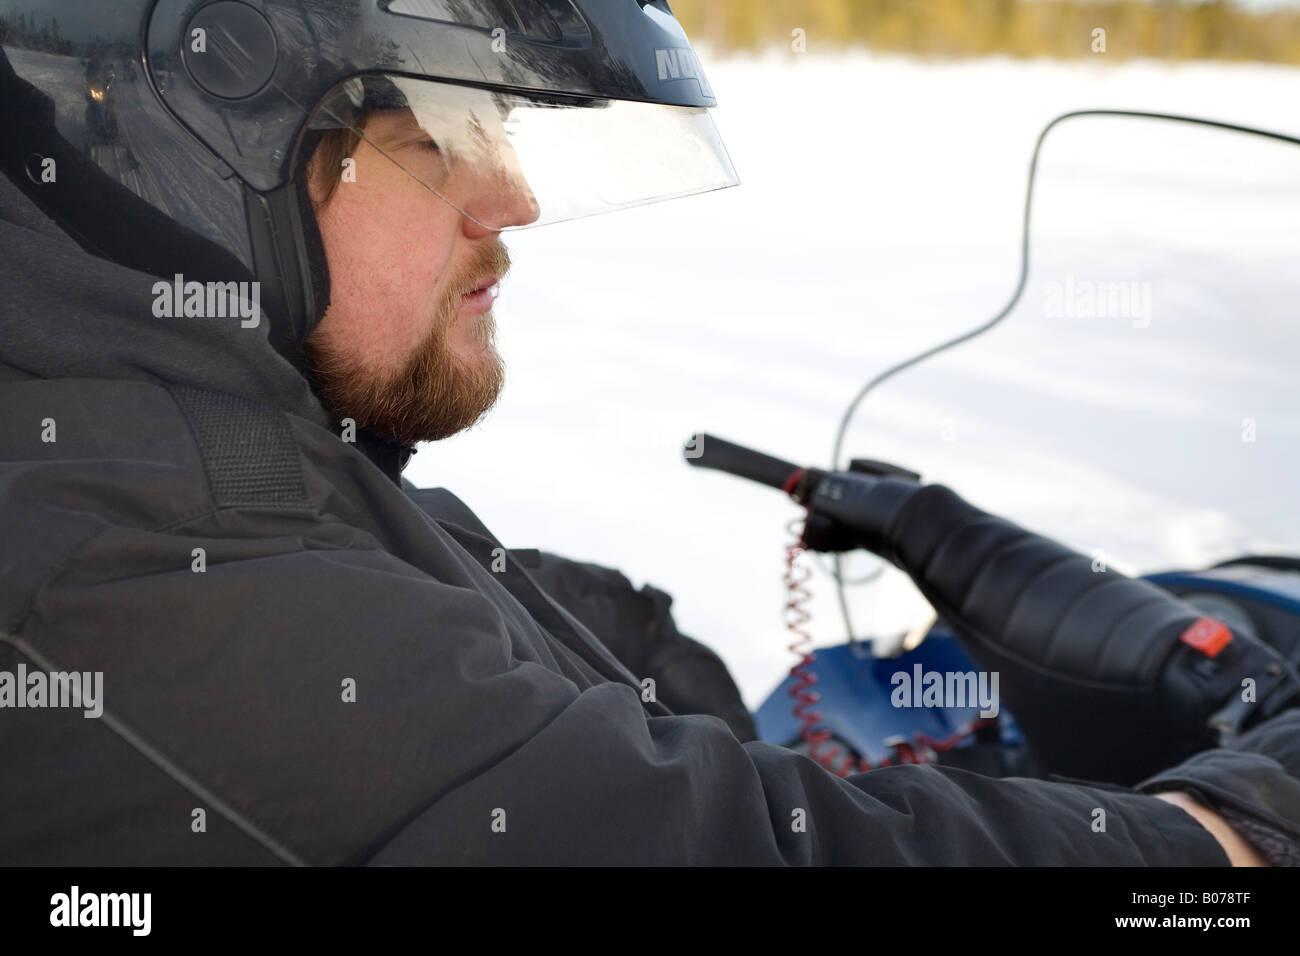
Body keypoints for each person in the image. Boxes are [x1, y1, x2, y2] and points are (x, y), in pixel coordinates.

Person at [1, 0, 1297, 866]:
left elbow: (458, 623)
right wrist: (1216, 841)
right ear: (197, 156)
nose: (509, 194)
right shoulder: (112, 575)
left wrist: (667, 640)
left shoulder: (197, 438)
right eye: (442, 133)